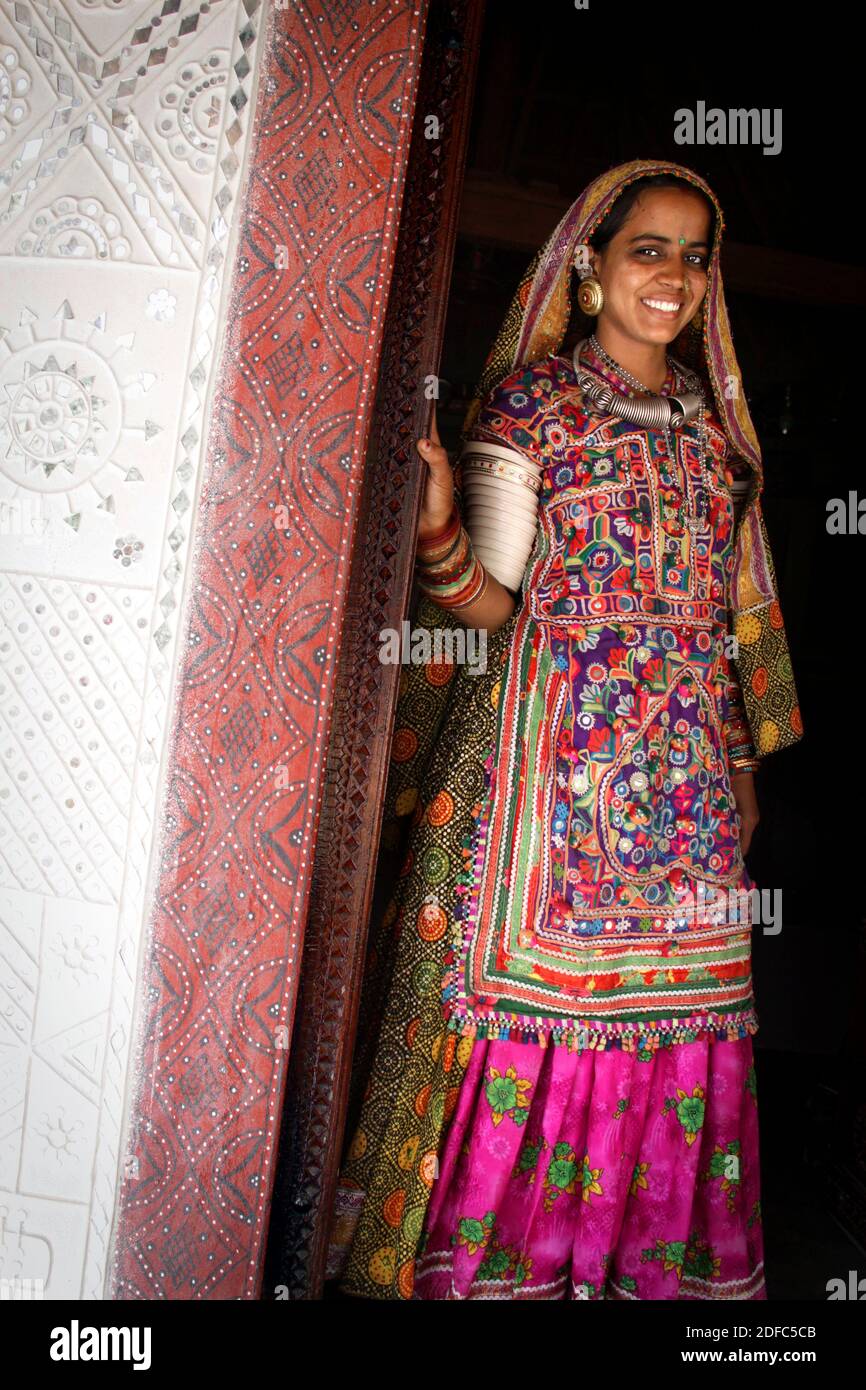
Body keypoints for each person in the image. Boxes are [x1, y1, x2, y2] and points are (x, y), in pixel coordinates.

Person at [327, 158, 803, 1301]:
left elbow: (715, 625)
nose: (674, 277)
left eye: (695, 256)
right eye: (649, 249)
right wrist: (440, 527)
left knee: (682, 1015)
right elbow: (491, 599)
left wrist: (736, 767)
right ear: (589, 265)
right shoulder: (531, 407)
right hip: (548, 785)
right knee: (541, 1008)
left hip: (684, 801)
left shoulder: (713, 435)